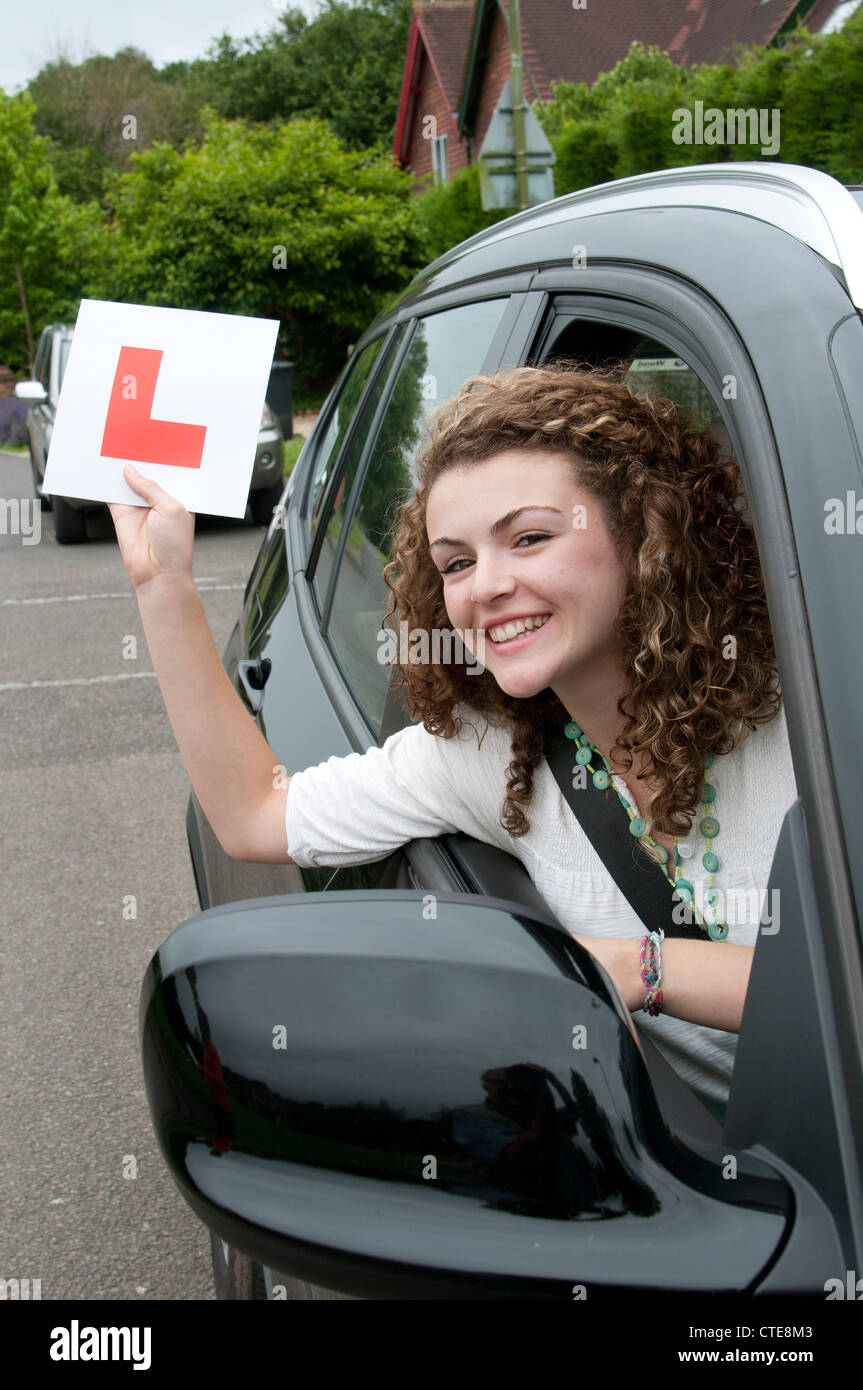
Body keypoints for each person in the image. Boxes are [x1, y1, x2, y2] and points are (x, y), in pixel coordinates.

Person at [109, 363, 797, 1124]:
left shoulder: (806, 717)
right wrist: (161, 585)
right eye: (456, 563)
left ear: (645, 533)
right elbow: (253, 815)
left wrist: (641, 968)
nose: (485, 587)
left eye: (528, 538)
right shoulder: (490, 754)